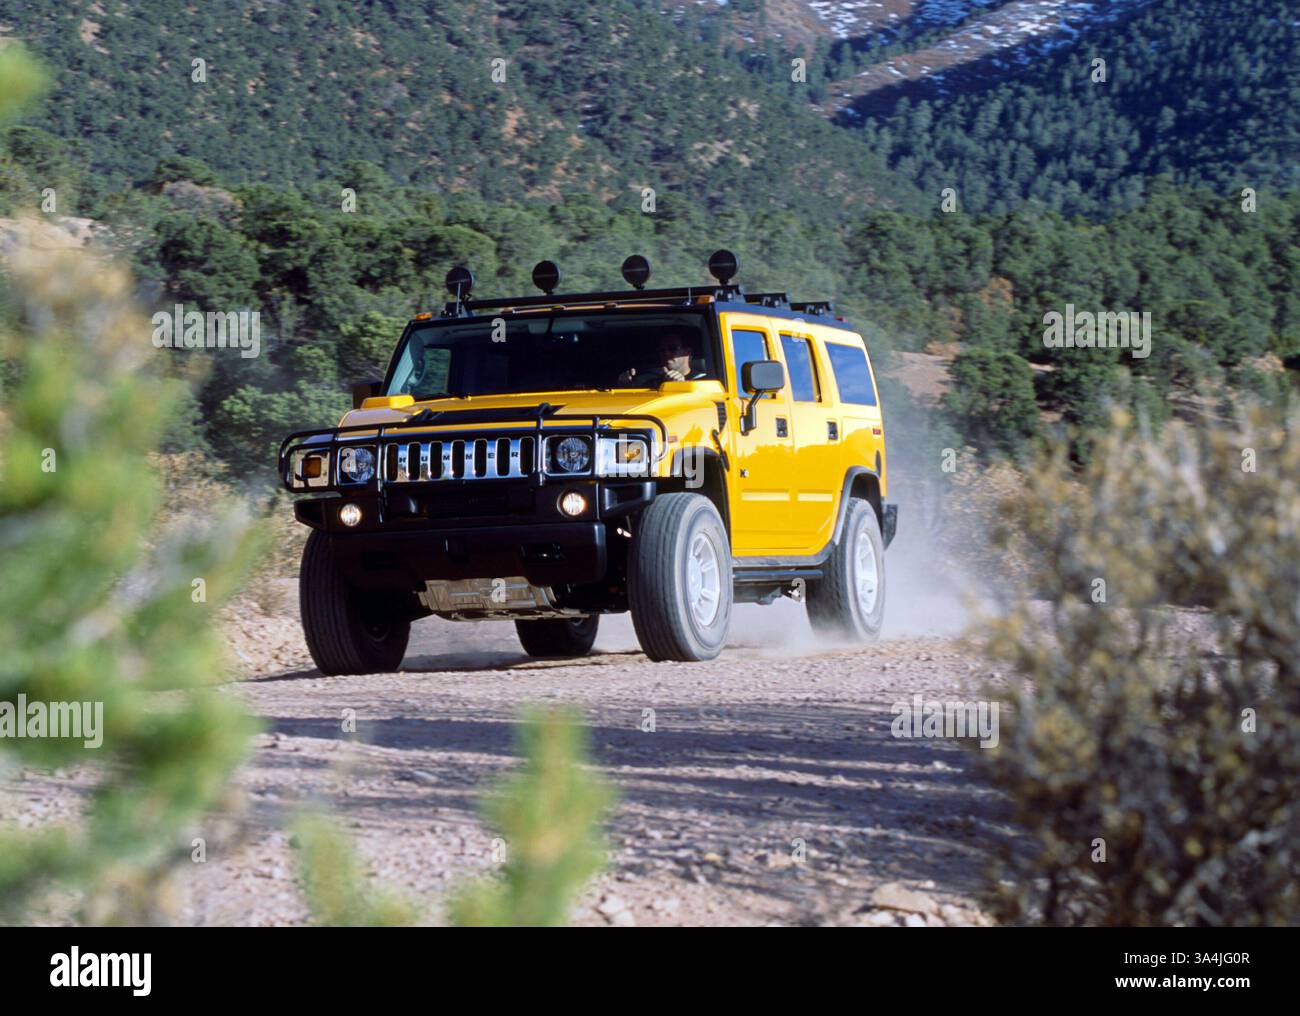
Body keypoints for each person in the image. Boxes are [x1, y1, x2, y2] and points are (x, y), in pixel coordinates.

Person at [618, 332, 704, 385]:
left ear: (688, 352)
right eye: (662, 350)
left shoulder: (702, 380)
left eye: (672, 348)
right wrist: (625, 385)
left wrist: (682, 385)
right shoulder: (649, 380)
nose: (666, 353)